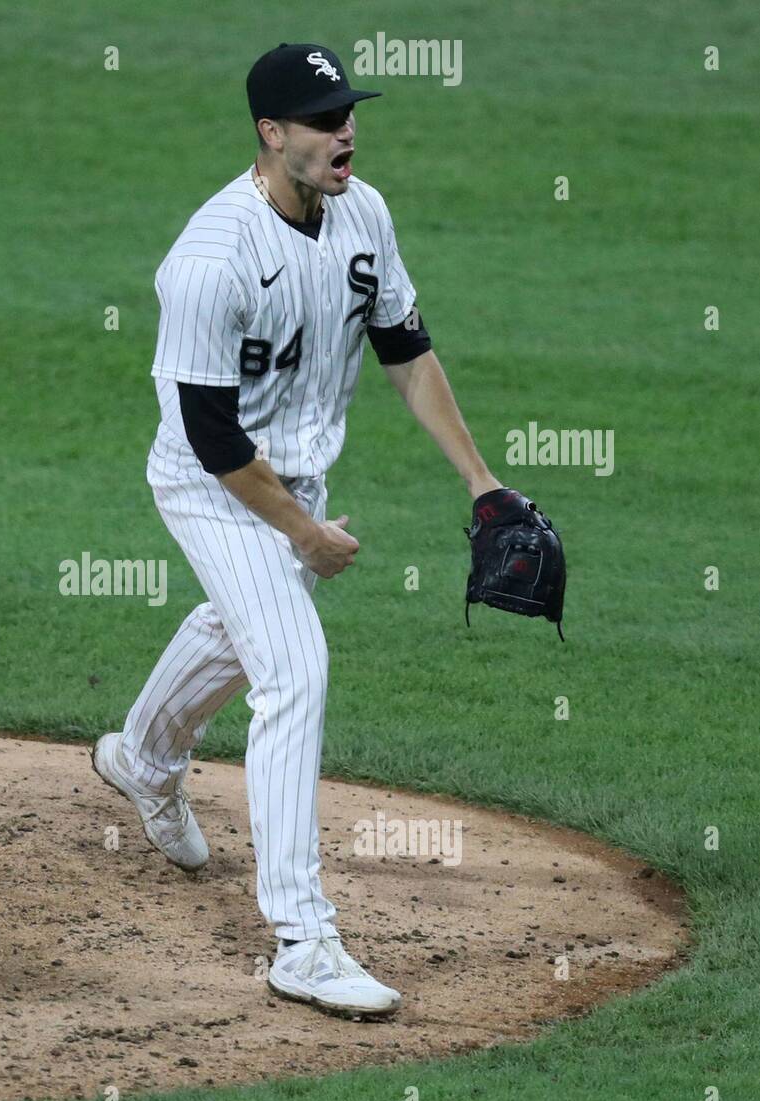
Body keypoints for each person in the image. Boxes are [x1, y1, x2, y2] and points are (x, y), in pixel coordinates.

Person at [92, 43, 504, 1018]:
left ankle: (141, 761)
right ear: (271, 135)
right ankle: (302, 941)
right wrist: (305, 537)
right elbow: (209, 432)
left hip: (297, 476)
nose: (343, 131)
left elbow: (404, 350)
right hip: (212, 483)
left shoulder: (362, 213)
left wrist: (481, 481)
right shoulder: (209, 259)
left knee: (245, 628)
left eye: (348, 112)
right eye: (320, 119)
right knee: (292, 664)